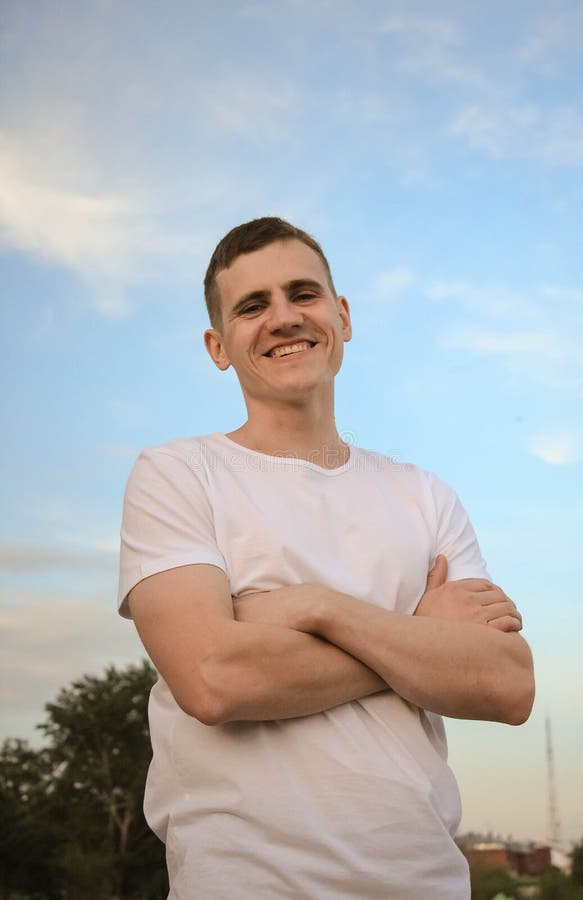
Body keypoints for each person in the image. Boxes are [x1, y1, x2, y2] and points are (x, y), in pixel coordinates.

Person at [118, 217, 534, 899]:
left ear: (341, 316)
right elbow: (215, 678)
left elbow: (507, 685)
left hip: (426, 880)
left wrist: (319, 609)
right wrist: (419, 633)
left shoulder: (423, 495)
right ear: (218, 346)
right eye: (252, 306)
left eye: (302, 293)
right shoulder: (178, 475)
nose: (283, 317)